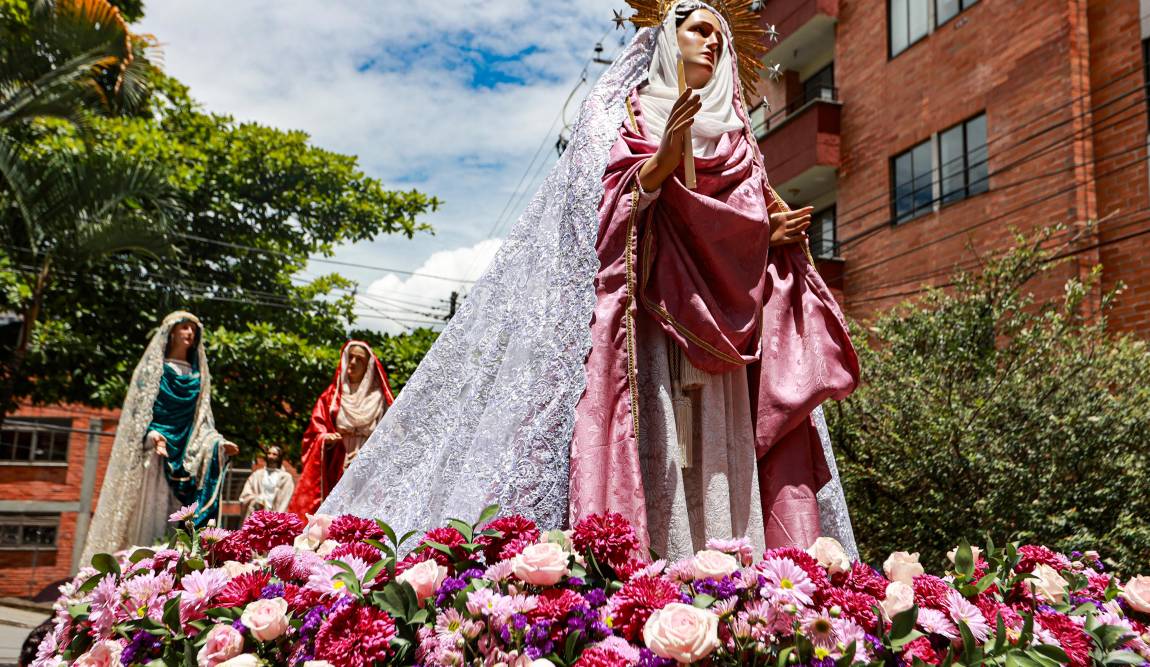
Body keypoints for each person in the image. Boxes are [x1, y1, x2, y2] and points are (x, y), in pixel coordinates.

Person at [321, 0, 858, 560]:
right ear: (667, 38)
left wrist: (770, 239)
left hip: (724, 343)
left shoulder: (738, 141)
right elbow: (597, 218)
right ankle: (654, 570)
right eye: (699, 30)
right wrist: (660, 162)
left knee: (714, 456)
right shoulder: (627, 116)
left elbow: (744, 229)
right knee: (661, 451)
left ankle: (732, 576)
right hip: (651, 327)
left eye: (719, 37)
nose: (711, 43)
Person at [80, 312, 237, 564]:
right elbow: (138, 415)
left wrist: (217, 443)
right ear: (171, 331)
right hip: (156, 452)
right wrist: (151, 434)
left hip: (186, 454)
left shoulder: (198, 377)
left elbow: (202, 421)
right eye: (184, 327)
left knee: (177, 522)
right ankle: (141, 568)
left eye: (193, 329)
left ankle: (174, 567)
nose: (190, 333)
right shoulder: (155, 370)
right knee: (151, 519)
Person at [288, 341, 394, 517]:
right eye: (350, 357)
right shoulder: (331, 396)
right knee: (337, 513)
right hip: (338, 462)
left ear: (368, 365)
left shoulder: (380, 398)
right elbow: (314, 431)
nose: (352, 362)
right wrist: (325, 439)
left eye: (359, 359)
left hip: (370, 462)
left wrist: (370, 454)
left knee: (366, 512)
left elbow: (392, 435)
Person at [239, 446, 295, 517]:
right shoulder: (257, 475)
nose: (270, 456)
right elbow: (245, 494)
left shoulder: (286, 478)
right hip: (258, 514)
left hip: (276, 515)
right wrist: (256, 499)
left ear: (279, 457)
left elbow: (286, 500)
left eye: (274, 454)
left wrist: (278, 517)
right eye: (269, 453)